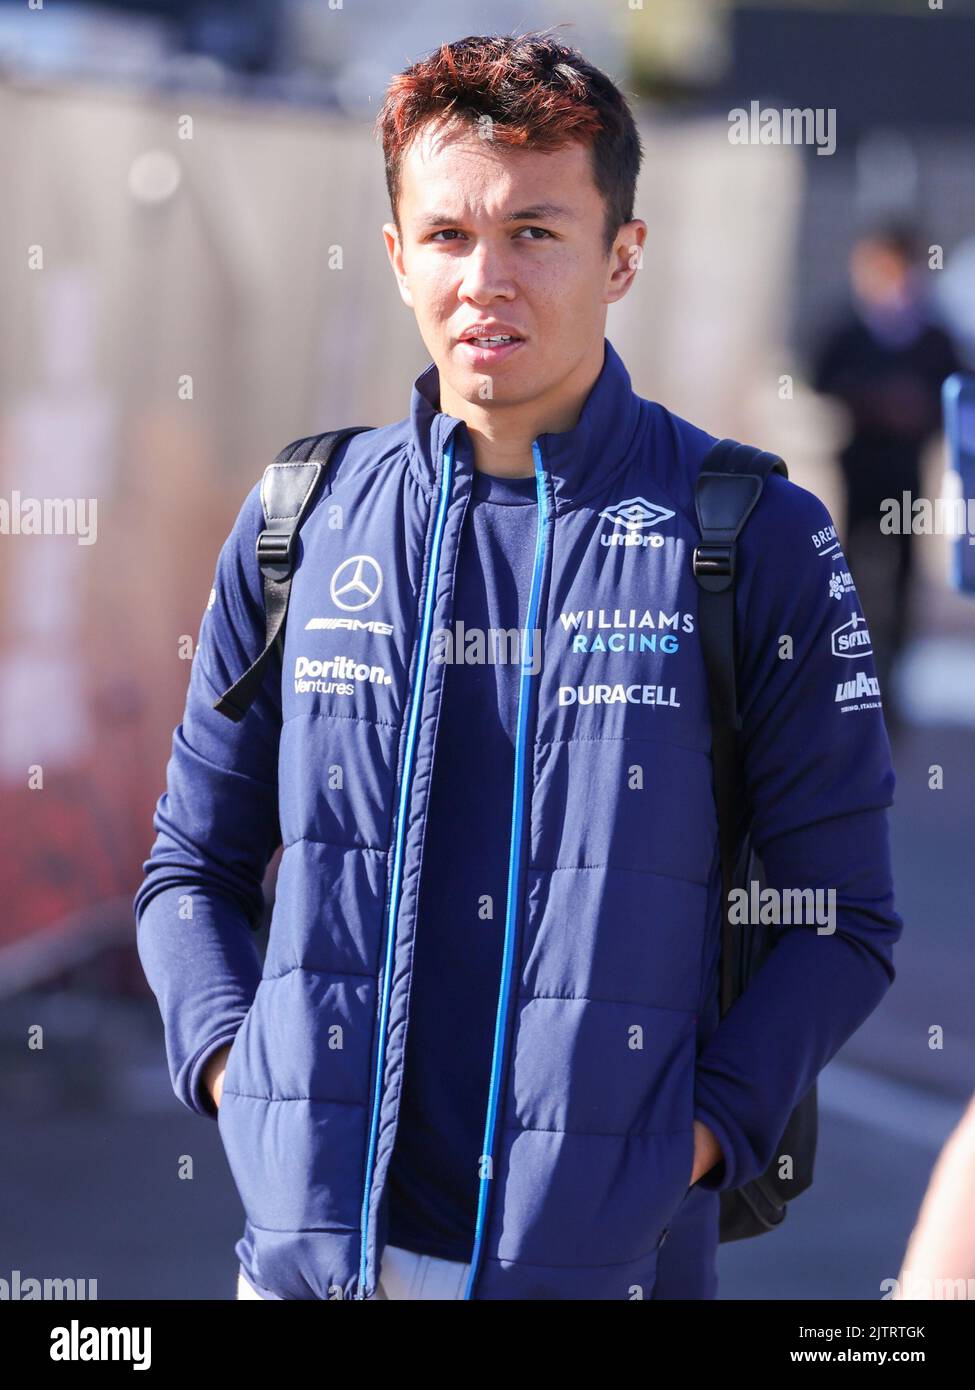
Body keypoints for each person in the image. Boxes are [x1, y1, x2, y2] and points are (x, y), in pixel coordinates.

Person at [134, 31, 903, 1301]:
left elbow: (843, 919)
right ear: (394, 258)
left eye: (536, 232)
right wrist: (239, 1076)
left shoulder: (750, 534)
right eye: (446, 236)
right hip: (310, 1266)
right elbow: (187, 869)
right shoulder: (300, 521)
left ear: (623, 256)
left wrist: (683, 1149)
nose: (486, 279)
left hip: (605, 1267)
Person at [811, 223, 964, 713]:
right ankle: (844, 673)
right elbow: (822, 379)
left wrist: (918, 412)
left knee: (901, 576)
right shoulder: (849, 331)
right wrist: (873, 402)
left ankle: (891, 682)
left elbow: (956, 393)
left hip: (907, 474)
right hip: (860, 469)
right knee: (849, 570)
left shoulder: (934, 336)